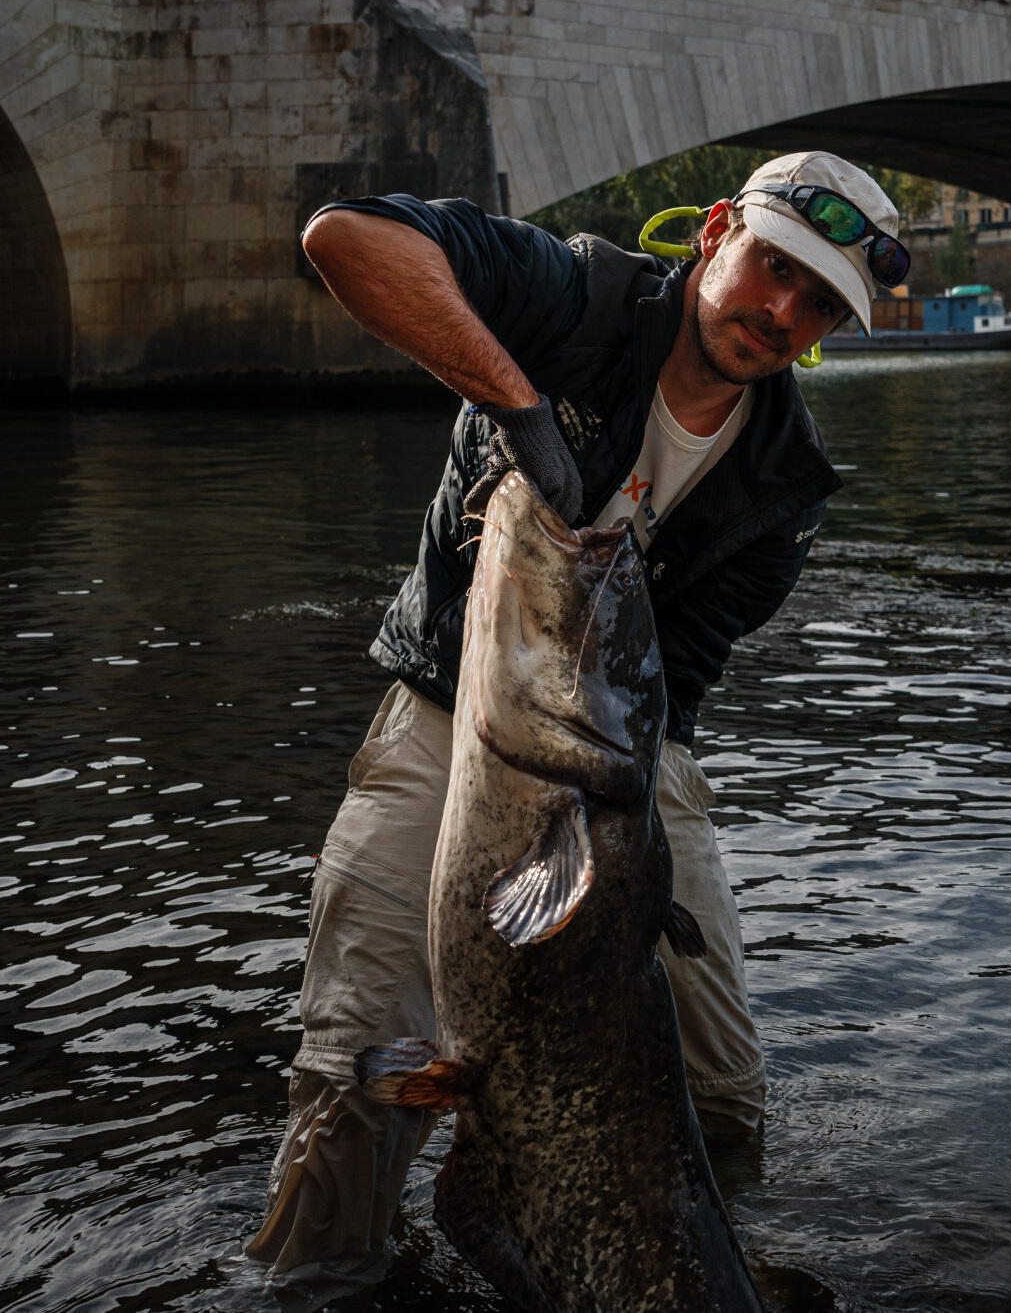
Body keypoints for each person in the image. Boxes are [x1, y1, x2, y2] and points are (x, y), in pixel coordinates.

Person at [246, 152, 910, 1304]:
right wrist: (518, 410)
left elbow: (675, 685)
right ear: (714, 233)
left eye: (816, 308)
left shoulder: (787, 482)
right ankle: (321, 1283)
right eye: (773, 269)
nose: (780, 314)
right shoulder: (579, 297)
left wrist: (621, 884)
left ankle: (680, 1263)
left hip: (625, 752)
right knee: (354, 1072)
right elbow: (345, 239)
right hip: (448, 709)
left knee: (720, 1082)